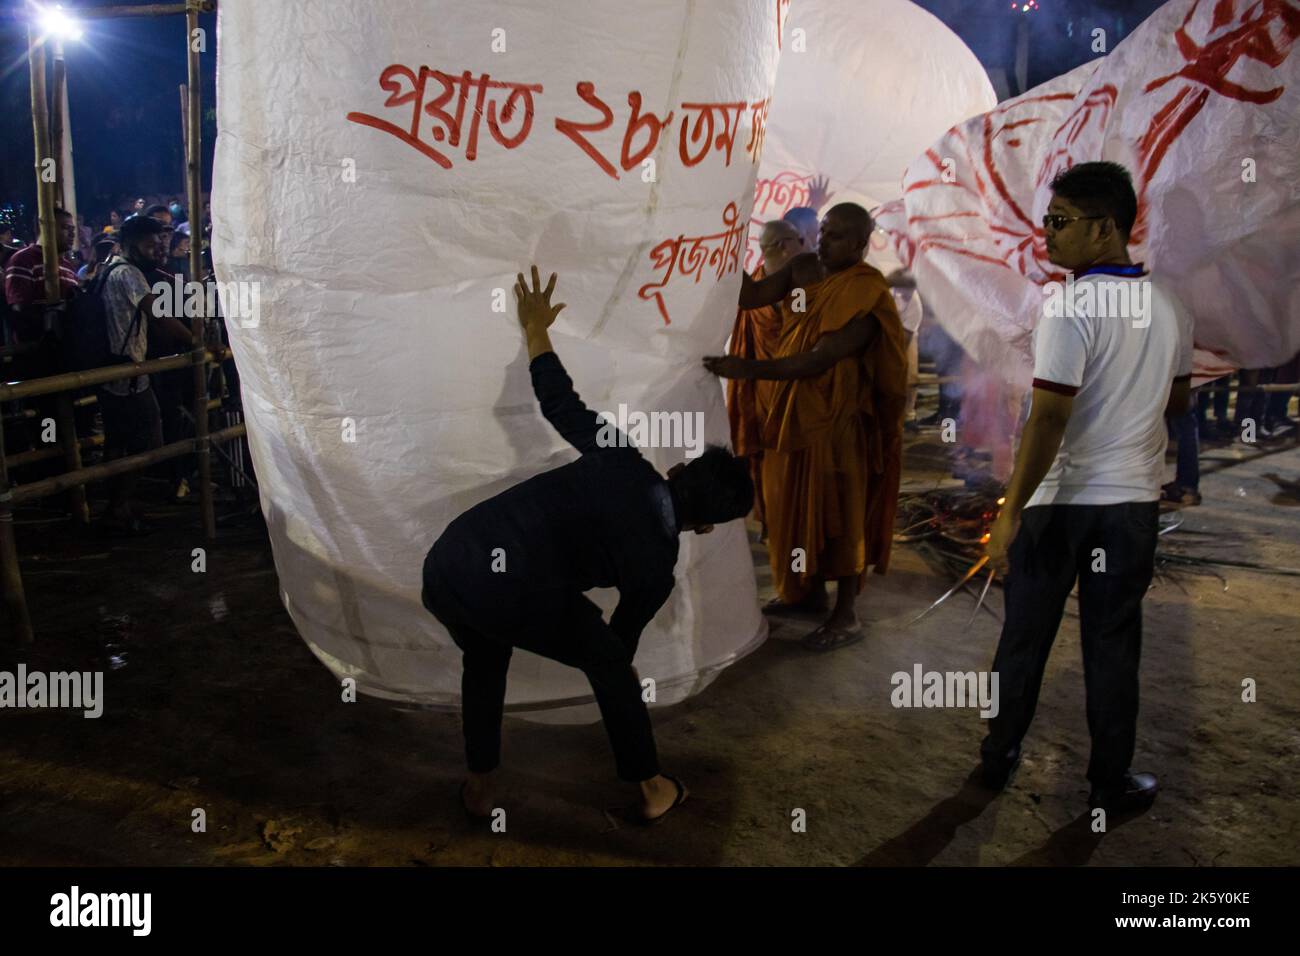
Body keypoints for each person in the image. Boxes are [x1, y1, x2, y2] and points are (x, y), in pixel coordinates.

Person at [422, 266, 753, 824]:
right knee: (608, 668)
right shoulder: (655, 571)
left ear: (676, 467)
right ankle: (651, 789)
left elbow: (558, 399)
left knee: (484, 654)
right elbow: (615, 650)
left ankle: (481, 786)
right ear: (705, 528)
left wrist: (535, 327)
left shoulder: (620, 455)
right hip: (504, 588)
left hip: (449, 561)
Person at [981, 162, 1193, 812]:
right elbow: (1177, 402)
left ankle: (997, 759)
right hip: (1129, 506)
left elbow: (1048, 418)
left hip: (1059, 506)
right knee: (1112, 645)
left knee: (1024, 638)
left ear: (1106, 227)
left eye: (1061, 222)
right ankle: (1109, 781)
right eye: (1048, 220)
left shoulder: (1069, 307)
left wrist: (1010, 511)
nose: (1048, 235)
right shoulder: (1170, 306)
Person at [705, 203, 908, 651]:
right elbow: (750, 297)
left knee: (841, 511)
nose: (824, 243)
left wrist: (747, 369)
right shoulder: (801, 268)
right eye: (824, 232)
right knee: (788, 504)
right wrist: (723, 241)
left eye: (836, 237)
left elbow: (819, 358)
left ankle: (846, 613)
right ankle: (808, 594)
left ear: (859, 244)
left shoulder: (865, 290)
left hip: (837, 422)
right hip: (790, 412)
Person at [96, 214, 193, 532]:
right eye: (150, 245)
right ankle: (117, 506)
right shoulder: (128, 273)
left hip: (109, 368)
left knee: (117, 440)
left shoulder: (107, 267)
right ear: (129, 245)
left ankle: (115, 506)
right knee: (152, 439)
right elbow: (159, 314)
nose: (157, 251)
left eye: (159, 243)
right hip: (128, 373)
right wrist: (196, 339)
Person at [726, 219, 804, 536]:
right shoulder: (795, 284)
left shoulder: (759, 281)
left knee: (770, 458)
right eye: (801, 238)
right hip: (785, 388)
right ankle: (782, 522)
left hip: (762, 388)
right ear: (786, 245)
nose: (807, 244)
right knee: (780, 460)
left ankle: (774, 521)